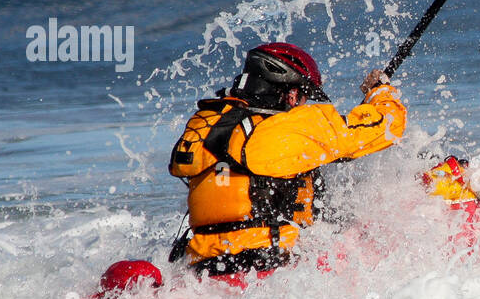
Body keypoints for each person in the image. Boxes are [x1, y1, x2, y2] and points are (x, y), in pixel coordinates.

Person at [168, 42, 406, 273]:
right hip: (269, 267)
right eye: (305, 98)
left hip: (202, 270)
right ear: (292, 95)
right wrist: (380, 90)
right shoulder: (284, 129)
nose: (304, 105)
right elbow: (387, 125)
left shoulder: (206, 124)